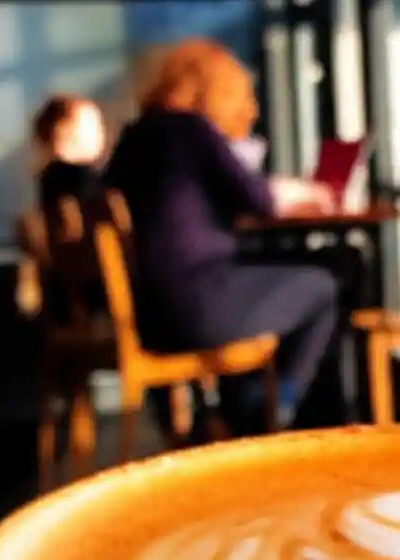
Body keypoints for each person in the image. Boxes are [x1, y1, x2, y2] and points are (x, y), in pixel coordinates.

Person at [104, 38, 337, 433]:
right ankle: (271, 412)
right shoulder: (191, 130)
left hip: (150, 313)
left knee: (258, 279)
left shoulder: (134, 138)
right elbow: (259, 200)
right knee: (323, 284)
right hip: (194, 306)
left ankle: (243, 409)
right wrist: (304, 191)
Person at [17, 94, 108, 317]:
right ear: (64, 131)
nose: (102, 132)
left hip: (68, 301)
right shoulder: (80, 180)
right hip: (99, 295)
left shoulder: (49, 181)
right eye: (95, 125)